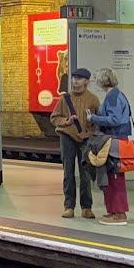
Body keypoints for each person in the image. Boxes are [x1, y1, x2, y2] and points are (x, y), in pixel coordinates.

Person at [50, 68, 101, 218]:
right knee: (68, 171)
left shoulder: (93, 99)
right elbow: (54, 117)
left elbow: (98, 122)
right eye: (74, 78)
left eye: (79, 78)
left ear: (86, 82)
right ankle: (69, 206)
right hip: (67, 137)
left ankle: (86, 207)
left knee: (85, 173)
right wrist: (66, 121)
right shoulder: (64, 99)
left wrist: (90, 133)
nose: (75, 81)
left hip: (85, 139)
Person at [86, 67, 132, 226]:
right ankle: (114, 211)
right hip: (116, 140)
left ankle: (119, 214)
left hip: (115, 141)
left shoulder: (112, 97)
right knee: (113, 177)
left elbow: (114, 120)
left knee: (114, 177)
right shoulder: (116, 94)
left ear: (103, 80)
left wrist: (94, 118)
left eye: (97, 78)